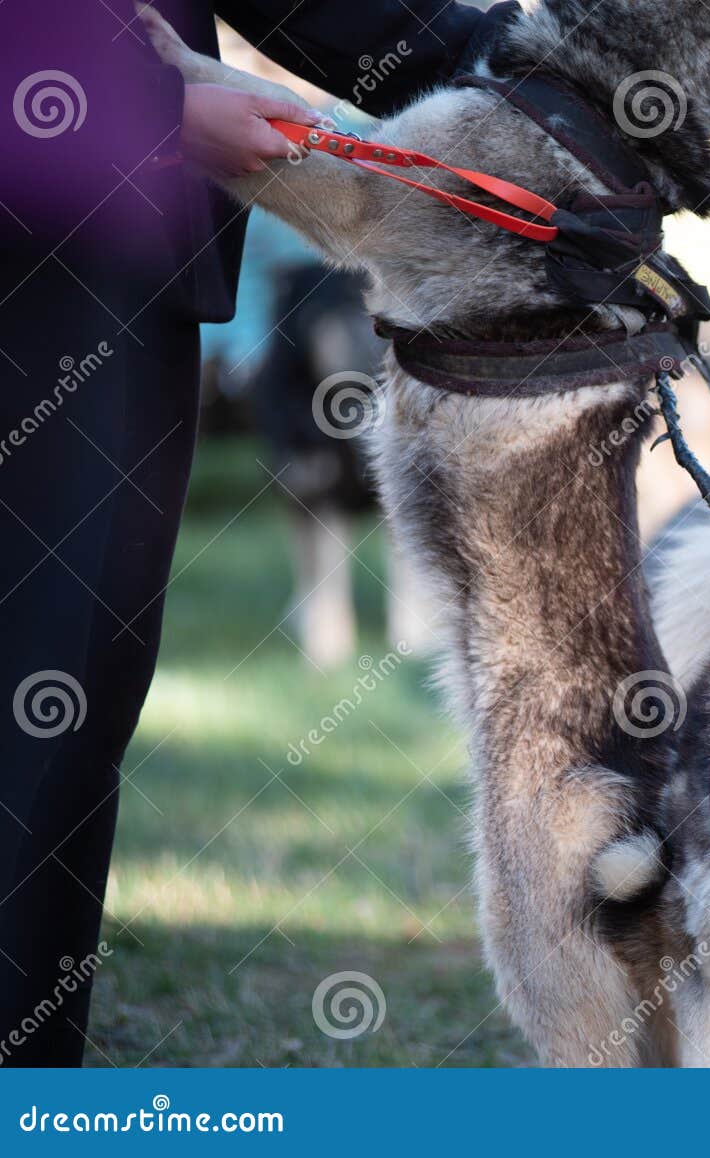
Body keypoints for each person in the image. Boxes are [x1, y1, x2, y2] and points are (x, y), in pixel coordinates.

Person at [0, 0, 519, 1067]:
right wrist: (155, 110)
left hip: (111, 259)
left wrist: (535, 61)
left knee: (67, 690)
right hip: (47, 252)